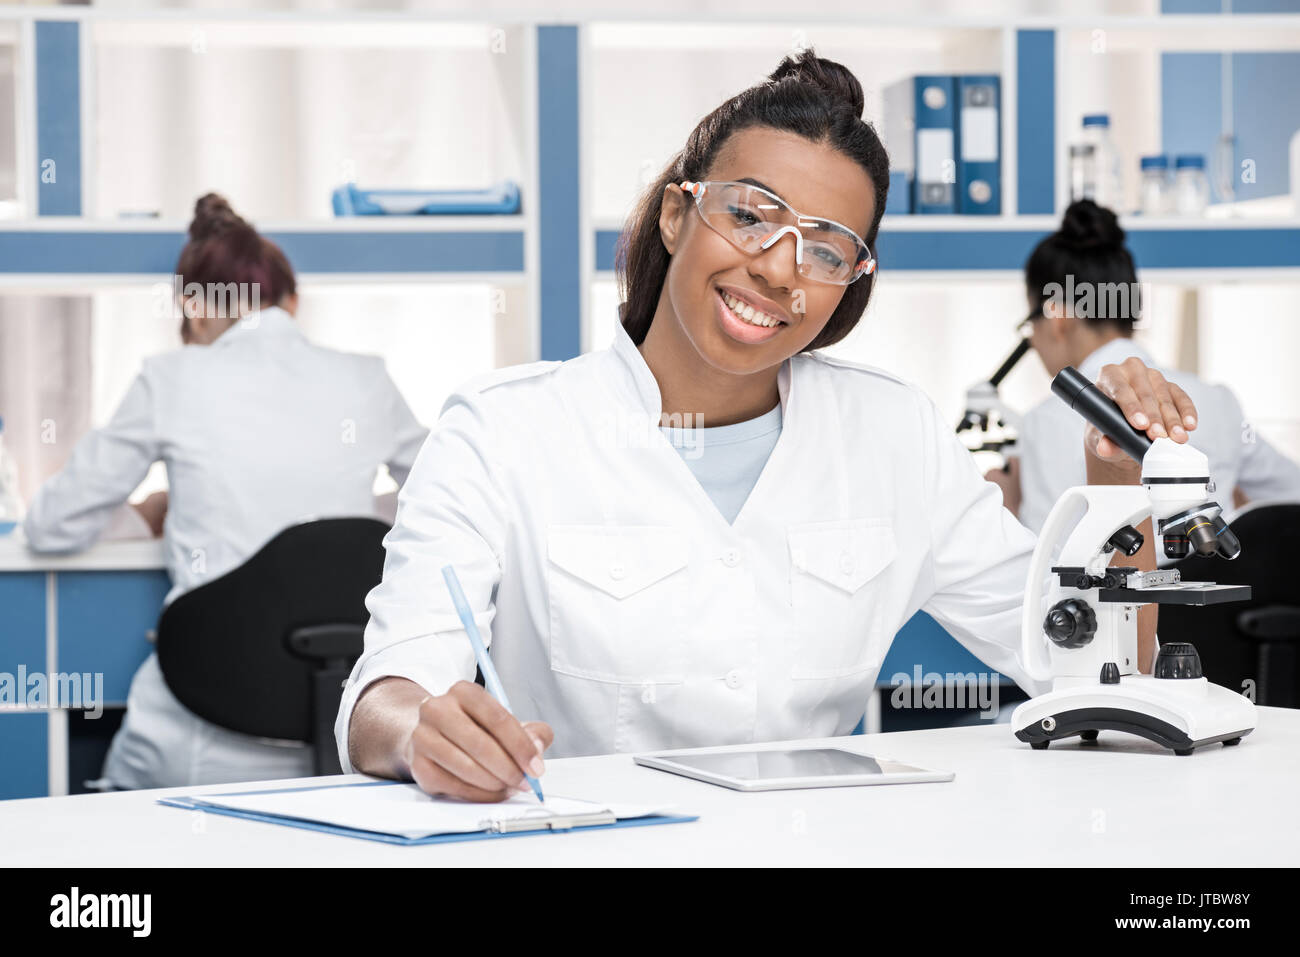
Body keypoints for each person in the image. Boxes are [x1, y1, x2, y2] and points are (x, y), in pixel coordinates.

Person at [338, 51, 1199, 803]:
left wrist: (1117, 486)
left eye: (826, 249)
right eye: (749, 214)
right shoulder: (503, 430)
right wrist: (424, 733)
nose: (780, 267)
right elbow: (386, 692)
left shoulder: (892, 431)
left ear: (848, 284)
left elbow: (1082, 663)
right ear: (677, 215)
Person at [23, 194, 428, 789]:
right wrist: (351, 513)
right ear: (291, 302)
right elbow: (446, 500)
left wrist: (152, 510)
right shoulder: (365, 378)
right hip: (339, 738)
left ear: (198, 310)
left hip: (192, 743)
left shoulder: (172, 377)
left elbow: (51, 525)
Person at [987, 199, 1300, 534]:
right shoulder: (1218, 402)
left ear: (1057, 317)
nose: (1033, 341)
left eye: (1032, 324)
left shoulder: (1046, 421)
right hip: (1219, 584)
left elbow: (1052, 571)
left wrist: (1006, 507)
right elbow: (1290, 494)